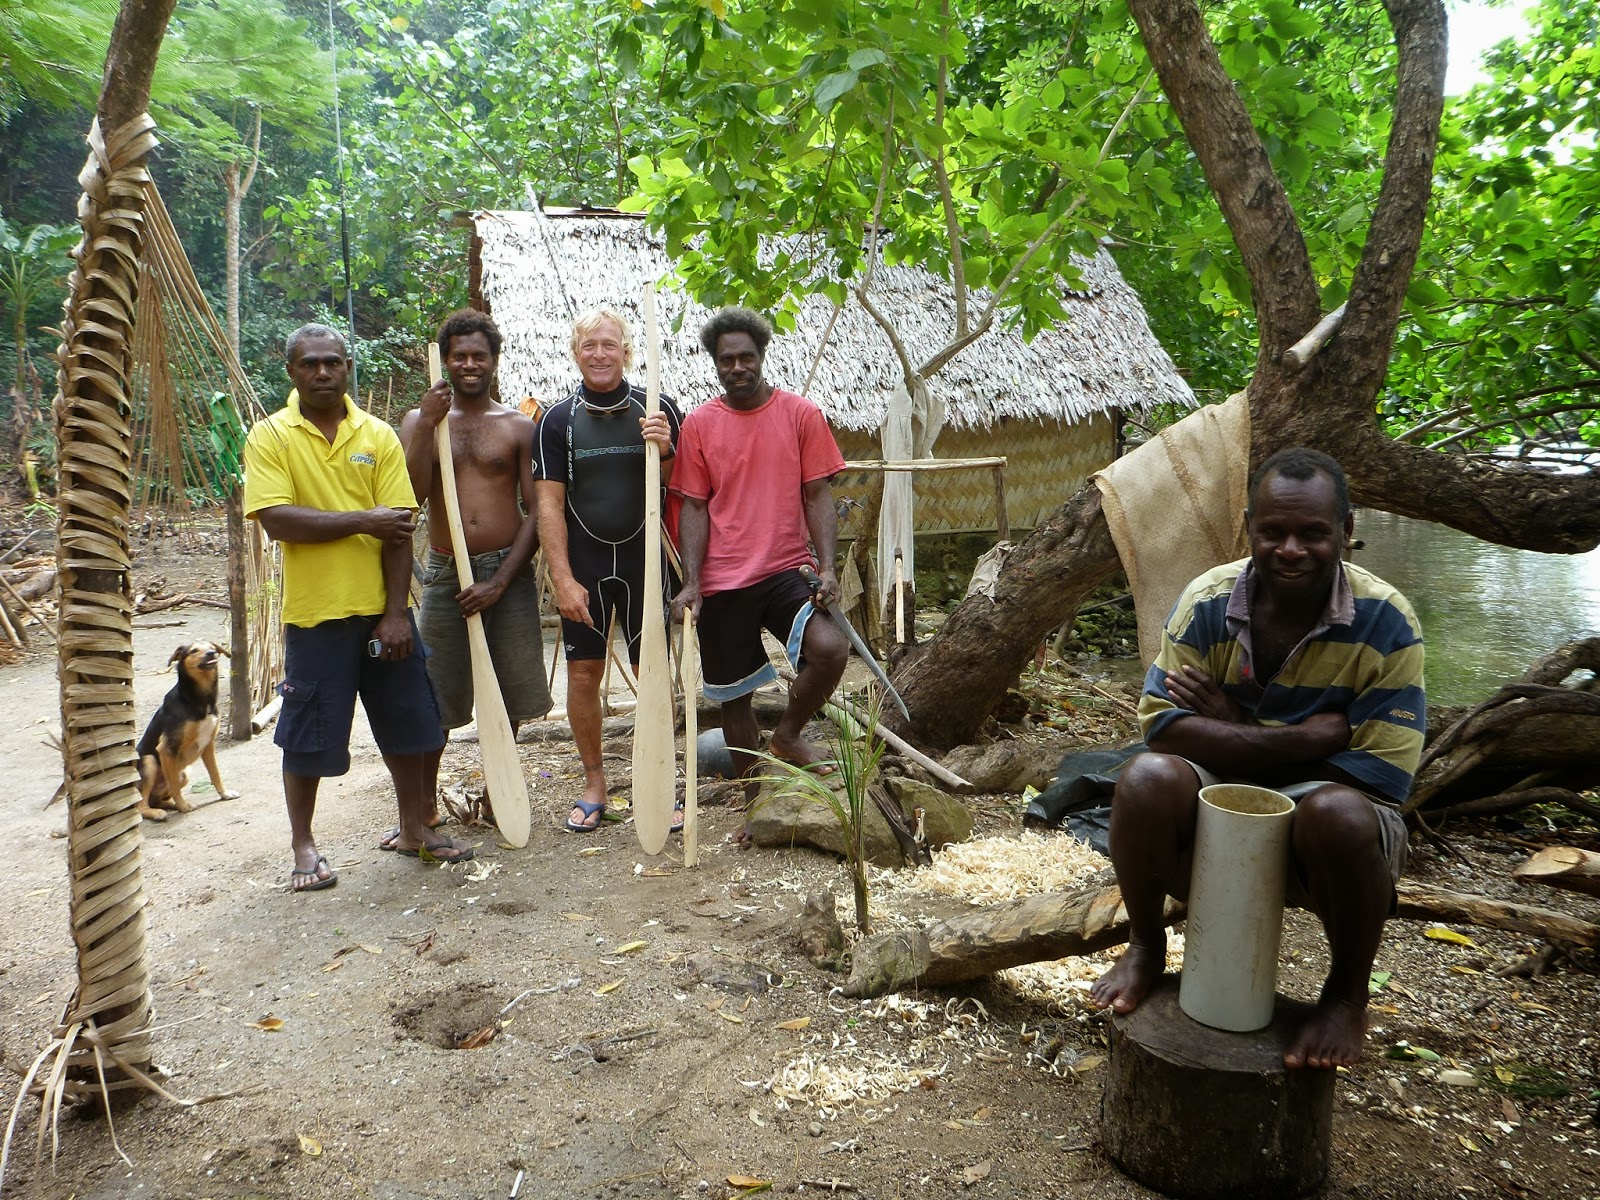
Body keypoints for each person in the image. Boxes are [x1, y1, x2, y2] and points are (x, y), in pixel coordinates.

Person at [1088, 448, 1425, 1069]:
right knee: (1145, 779)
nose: (1291, 549)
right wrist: (1302, 741)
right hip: (1226, 806)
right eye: (1273, 532)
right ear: (1249, 528)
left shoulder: (1387, 623)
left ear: (1347, 532)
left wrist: (1231, 726)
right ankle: (1144, 944)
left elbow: (1381, 779)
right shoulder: (1207, 602)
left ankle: (1347, 997)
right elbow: (1161, 729)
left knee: (1341, 815)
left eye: (1313, 533)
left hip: (1325, 836)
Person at [243, 324, 474, 893]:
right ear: (292, 370)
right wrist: (362, 520)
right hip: (316, 614)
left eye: (333, 363)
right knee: (307, 734)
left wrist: (397, 613)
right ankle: (304, 844)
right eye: (310, 364)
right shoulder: (271, 436)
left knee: (412, 723)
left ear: (349, 366)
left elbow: (399, 529)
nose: (322, 373)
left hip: (381, 612)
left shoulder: (377, 436)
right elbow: (278, 519)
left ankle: (414, 827)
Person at [669, 306, 849, 784]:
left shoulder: (800, 415)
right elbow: (694, 507)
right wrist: (692, 584)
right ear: (715, 363)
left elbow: (817, 494)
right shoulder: (700, 425)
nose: (737, 368)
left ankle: (788, 736)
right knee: (734, 696)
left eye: (746, 357)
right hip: (723, 578)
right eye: (726, 360)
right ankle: (754, 796)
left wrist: (827, 567)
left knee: (831, 650)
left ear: (761, 355)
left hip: (785, 568)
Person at [397, 309, 548, 842]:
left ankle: (497, 794)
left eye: (478, 355)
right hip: (446, 573)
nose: (468, 364)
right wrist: (427, 423)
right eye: (458, 355)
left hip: (505, 571)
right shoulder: (421, 423)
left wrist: (503, 580)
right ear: (443, 360)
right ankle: (424, 810)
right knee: (434, 695)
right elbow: (410, 496)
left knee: (512, 692)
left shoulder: (518, 427)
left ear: (493, 361)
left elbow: (537, 512)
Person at [534, 307, 681, 832]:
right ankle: (595, 782)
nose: (600, 353)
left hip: (645, 561)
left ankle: (661, 777)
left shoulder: (657, 406)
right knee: (583, 673)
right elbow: (548, 505)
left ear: (626, 352)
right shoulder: (557, 420)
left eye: (609, 344)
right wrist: (562, 578)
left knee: (654, 673)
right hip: (587, 565)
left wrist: (665, 447)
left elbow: (677, 482)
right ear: (577, 353)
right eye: (590, 345)